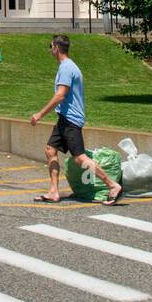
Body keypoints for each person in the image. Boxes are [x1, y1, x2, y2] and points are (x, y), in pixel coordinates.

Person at [30, 35, 122, 205]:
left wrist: (40, 114)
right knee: (50, 150)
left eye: (51, 46)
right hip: (64, 118)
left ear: (56, 47)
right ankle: (54, 192)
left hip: (71, 119)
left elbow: (60, 95)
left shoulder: (66, 68)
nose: (50, 49)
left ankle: (112, 185)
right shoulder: (67, 66)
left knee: (79, 157)